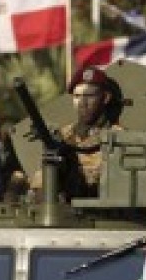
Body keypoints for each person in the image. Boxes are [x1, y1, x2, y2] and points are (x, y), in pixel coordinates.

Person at [49, 66, 122, 200]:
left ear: (105, 98)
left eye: (89, 96)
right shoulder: (61, 137)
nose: (82, 103)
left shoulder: (120, 139)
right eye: (77, 96)